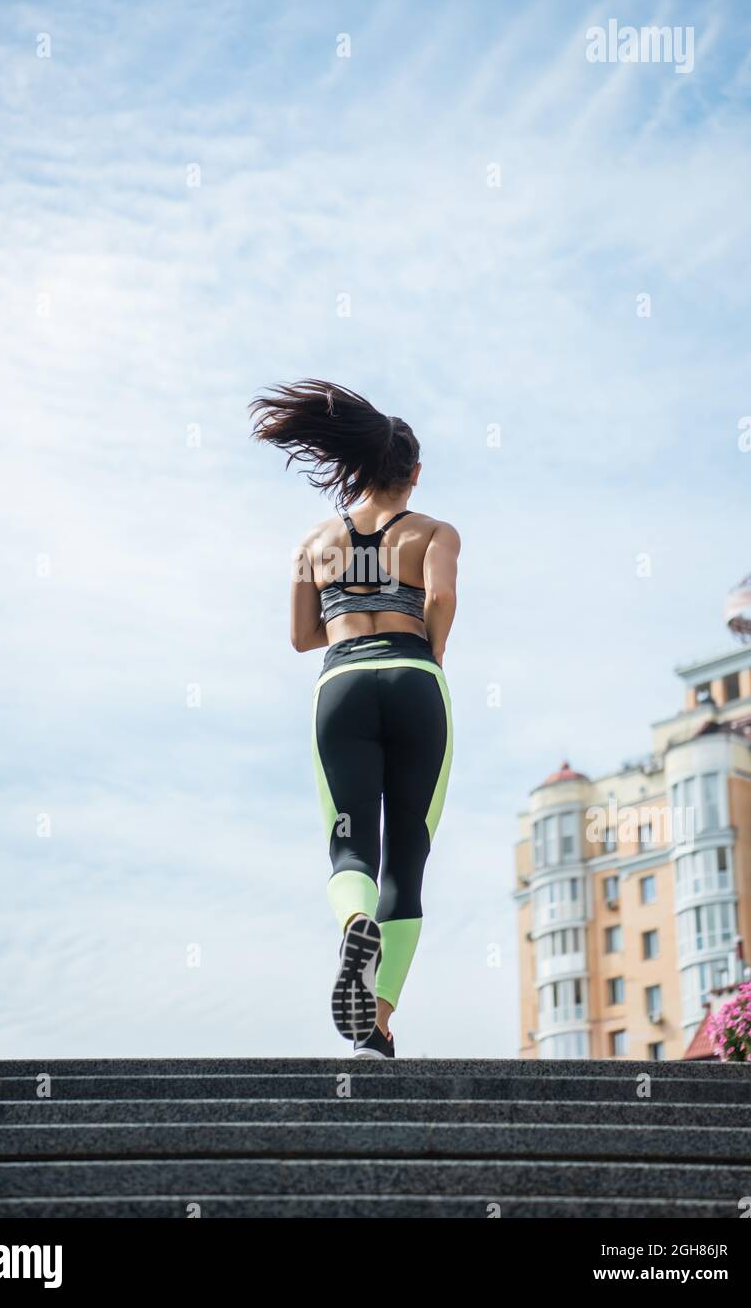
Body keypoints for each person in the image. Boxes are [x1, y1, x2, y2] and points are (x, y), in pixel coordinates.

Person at [248, 379, 459, 1059]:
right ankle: (377, 1019)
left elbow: (300, 636)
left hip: (339, 683)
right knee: (409, 852)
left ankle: (353, 922)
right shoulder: (433, 532)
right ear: (414, 474)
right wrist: (430, 645)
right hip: (415, 677)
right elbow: (443, 600)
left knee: (349, 846)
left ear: (359, 468)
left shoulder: (312, 539)